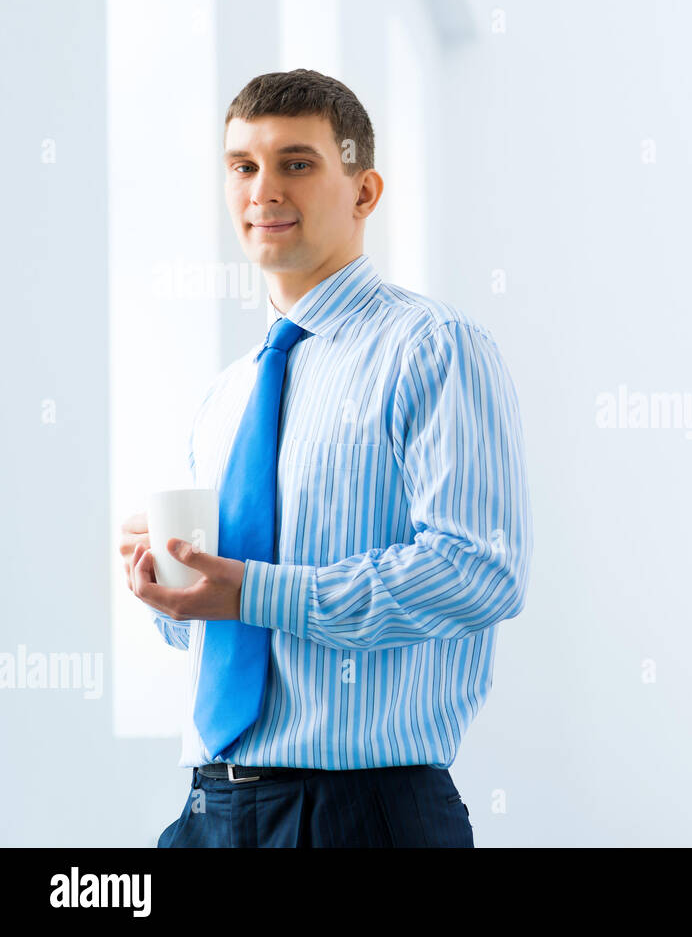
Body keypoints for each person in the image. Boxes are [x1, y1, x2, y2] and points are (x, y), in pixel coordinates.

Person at [116, 69, 532, 847]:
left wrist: (253, 592)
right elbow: (212, 634)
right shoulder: (226, 396)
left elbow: (483, 569)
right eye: (243, 165)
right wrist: (168, 587)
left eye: (296, 163)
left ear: (364, 191)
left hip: (360, 816)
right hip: (210, 809)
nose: (262, 189)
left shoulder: (434, 348)